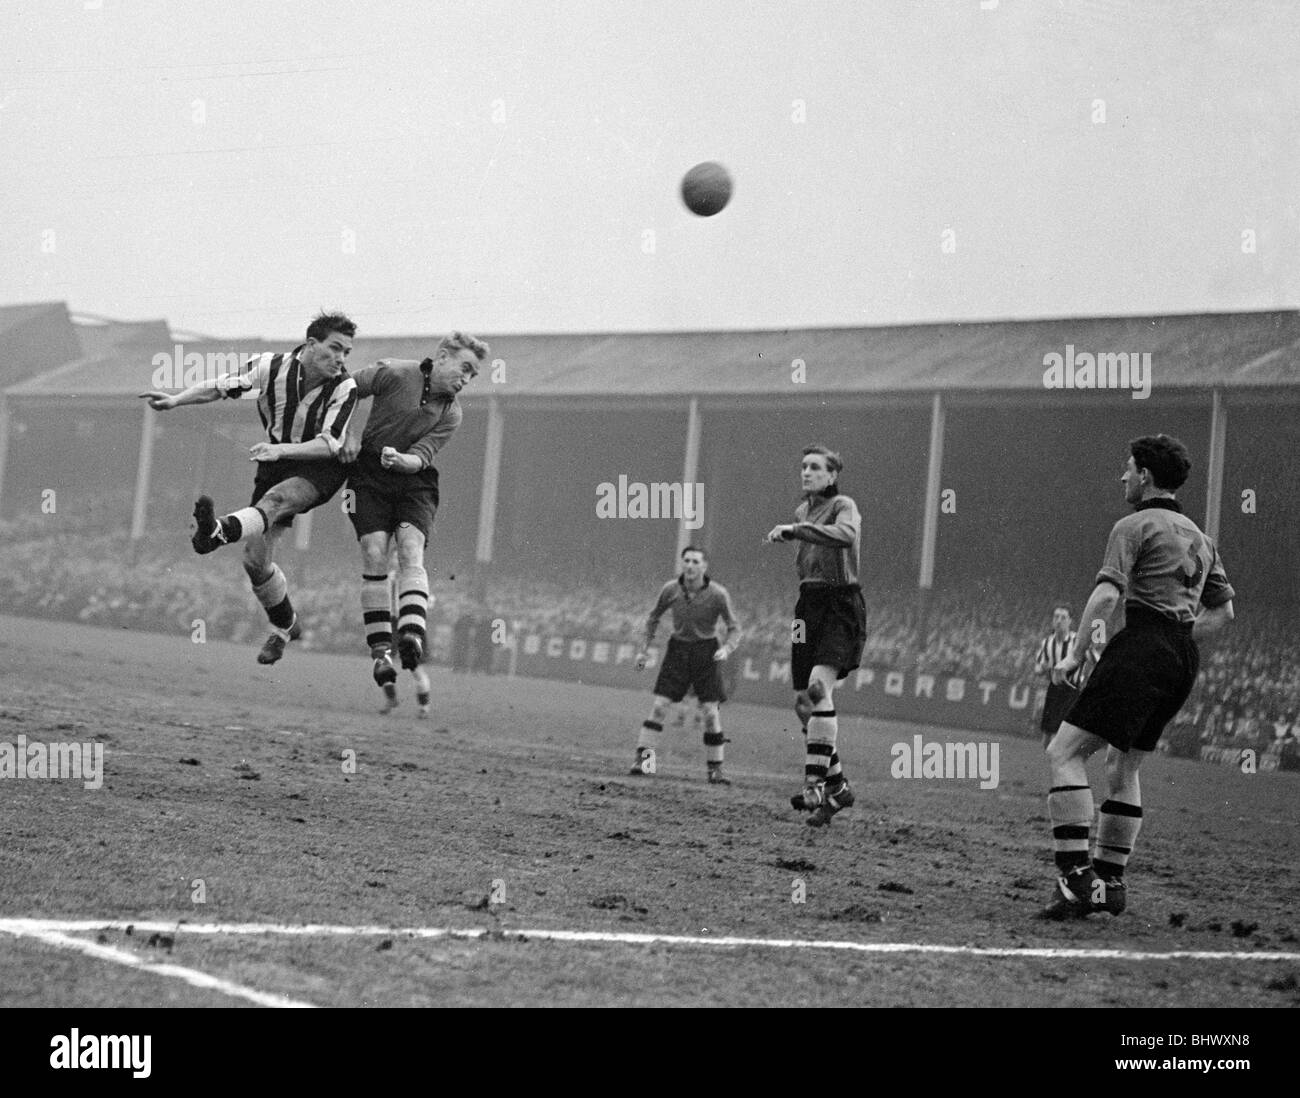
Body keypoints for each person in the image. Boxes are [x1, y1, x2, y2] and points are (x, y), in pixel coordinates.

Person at [1042, 434, 1235, 919]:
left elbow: (1108, 596)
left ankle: (1074, 878)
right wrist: (1179, 638)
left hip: (1143, 643)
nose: (1122, 476)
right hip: (1181, 656)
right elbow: (1225, 613)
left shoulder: (1134, 525)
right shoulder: (1200, 537)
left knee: (1063, 752)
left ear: (1146, 475)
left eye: (1127, 468)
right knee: (1123, 768)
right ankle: (1110, 883)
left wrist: (1074, 654)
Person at [139, 312, 358, 664]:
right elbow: (221, 386)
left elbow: (330, 443)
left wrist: (280, 449)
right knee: (255, 562)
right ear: (311, 344)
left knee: (277, 500)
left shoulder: (345, 387)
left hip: (319, 466)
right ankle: (286, 626)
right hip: (275, 461)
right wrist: (176, 399)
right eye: (335, 348)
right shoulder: (270, 367)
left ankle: (216, 532)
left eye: (347, 352)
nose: (341, 358)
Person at [340, 332, 489, 696]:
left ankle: (411, 635)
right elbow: (344, 389)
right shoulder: (392, 372)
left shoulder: (452, 413)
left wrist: (401, 459)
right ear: (441, 356)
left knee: (410, 550)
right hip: (367, 475)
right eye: (464, 368)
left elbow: (422, 456)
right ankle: (380, 653)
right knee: (375, 552)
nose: (466, 379)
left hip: (414, 480)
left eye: (473, 375)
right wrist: (347, 432)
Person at [764, 444, 865, 827]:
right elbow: (805, 561)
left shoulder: (844, 506)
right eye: (803, 466)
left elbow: (844, 535)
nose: (806, 472)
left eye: (815, 467)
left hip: (840, 603)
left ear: (832, 475)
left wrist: (795, 530)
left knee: (820, 690)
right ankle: (839, 788)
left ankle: (815, 784)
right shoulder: (802, 511)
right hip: (806, 607)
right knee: (803, 704)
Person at [629, 546, 741, 785]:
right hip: (678, 650)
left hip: (706, 652)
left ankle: (715, 770)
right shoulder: (670, 589)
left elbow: (734, 627)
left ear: (704, 566)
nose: (689, 565)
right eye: (686, 561)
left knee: (711, 714)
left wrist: (726, 648)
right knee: (659, 706)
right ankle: (644, 762)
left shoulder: (718, 594)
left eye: (695, 561)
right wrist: (643, 649)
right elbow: (653, 618)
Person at [1034, 605, 1094, 748]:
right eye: (1056, 617)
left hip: (1071, 691)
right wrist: (1042, 668)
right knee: (1046, 738)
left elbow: (1093, 659)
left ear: (1070, 621)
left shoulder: (1077, 641)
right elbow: (1038, 667)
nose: (1059, 621)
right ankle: (1052, 765)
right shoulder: (1047, 642)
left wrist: (1086, 678)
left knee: (1059, 735)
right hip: (1054, 690)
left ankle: (1059, 765)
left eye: (1063, 617)